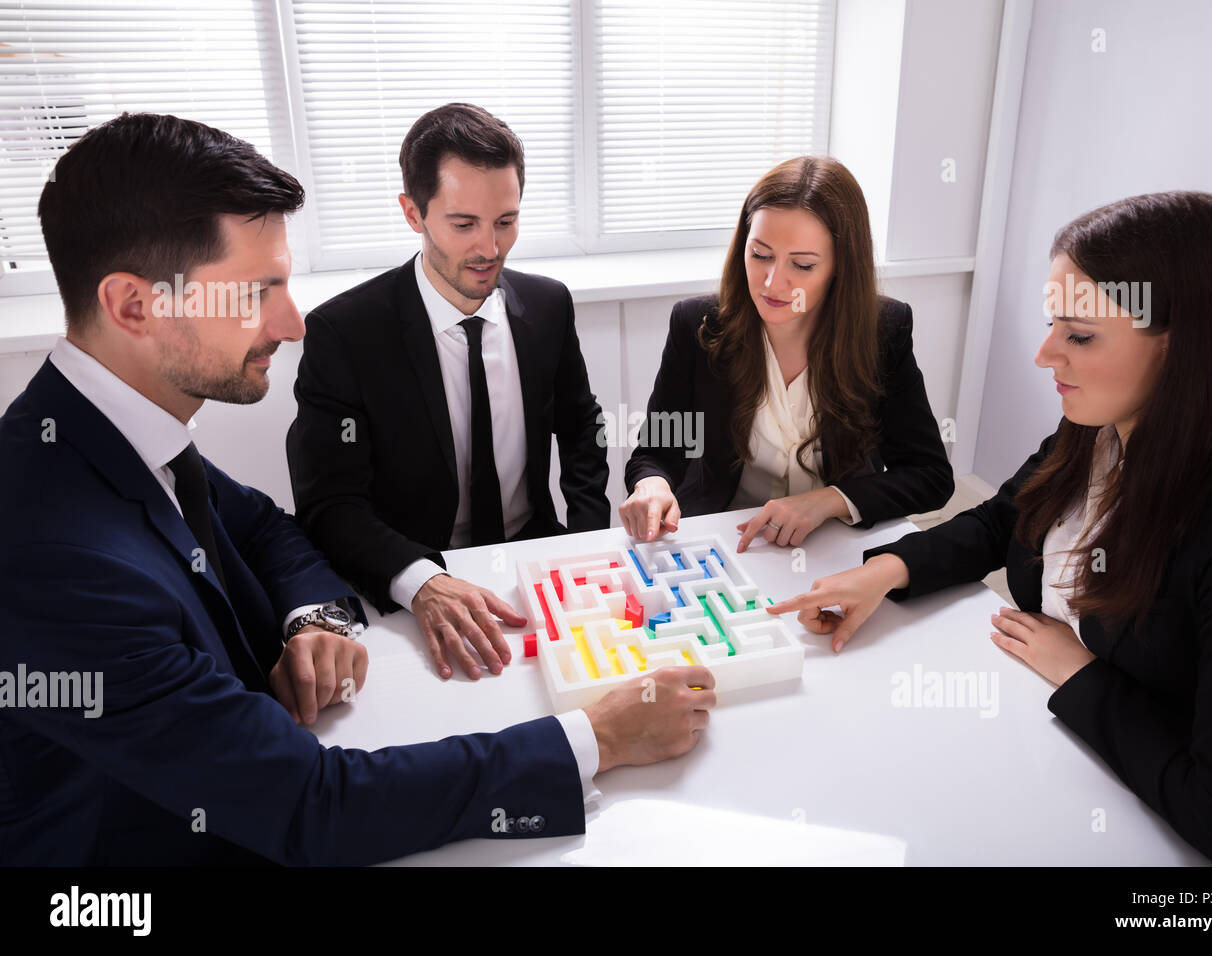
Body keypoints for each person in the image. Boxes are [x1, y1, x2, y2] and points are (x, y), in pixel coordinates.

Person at [0, 112, 715, 866]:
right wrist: (597, 737)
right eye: (256, 292)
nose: (291, 323)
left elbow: (267, 530)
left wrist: (316, 621)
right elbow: (315, 805)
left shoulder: (114, 431)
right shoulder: (50, 552)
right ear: (134, 305)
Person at [769, 191, 1212, 866]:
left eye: (1080, 336)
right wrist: (887, 571)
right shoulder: (1102, 427)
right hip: (1043, 750)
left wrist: (1076, 672)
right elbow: (1005, 521)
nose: (1046, 355)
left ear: (1181, 350)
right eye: (1054, 325)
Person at [287, 103, 611, 682]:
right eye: (464, 224)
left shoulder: (548, 305)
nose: (490, 248)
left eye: (506, 221)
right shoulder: (345, 334)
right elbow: (328, 505)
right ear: (413, 213)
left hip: (532, 565)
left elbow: (582, 426)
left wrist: (585, 540)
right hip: (411, 588)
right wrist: (422, 581)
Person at [620, 156, 953, 551]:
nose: (774, 283)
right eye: (760, 255)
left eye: (803, 264)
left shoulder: (885, 329)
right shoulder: (696, 323)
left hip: (834, 540)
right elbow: (658, 449)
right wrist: (652, 484)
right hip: (727, 538)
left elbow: (929, 475)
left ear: (839, 268)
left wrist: (827, 502)